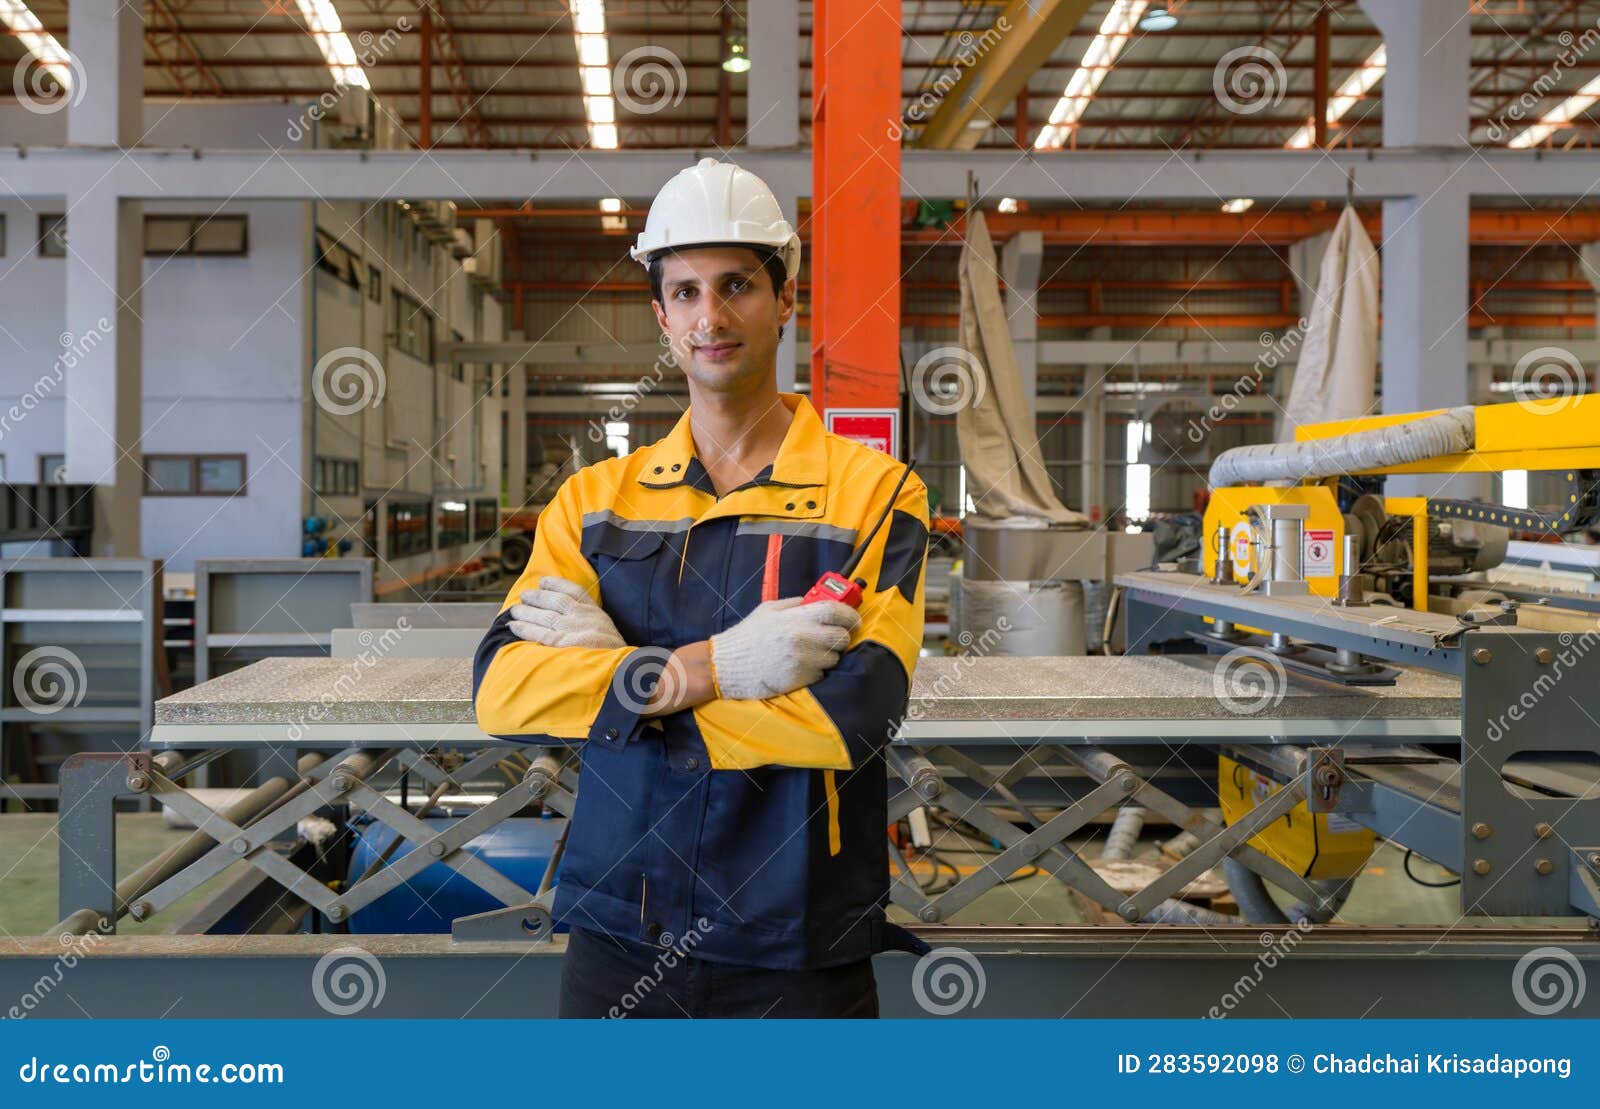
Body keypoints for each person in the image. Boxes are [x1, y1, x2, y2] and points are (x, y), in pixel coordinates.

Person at [473, 158, 930, 1018]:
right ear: (661, 317)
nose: (710, 317)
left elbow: (853, 716)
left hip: (798, 945)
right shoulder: (592, 503)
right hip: (620, 934)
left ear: (786, 300)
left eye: (737, 285)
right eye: (684, 292)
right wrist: (713, 666)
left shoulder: (875, 495)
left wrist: (625, 681)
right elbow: (502, 690)